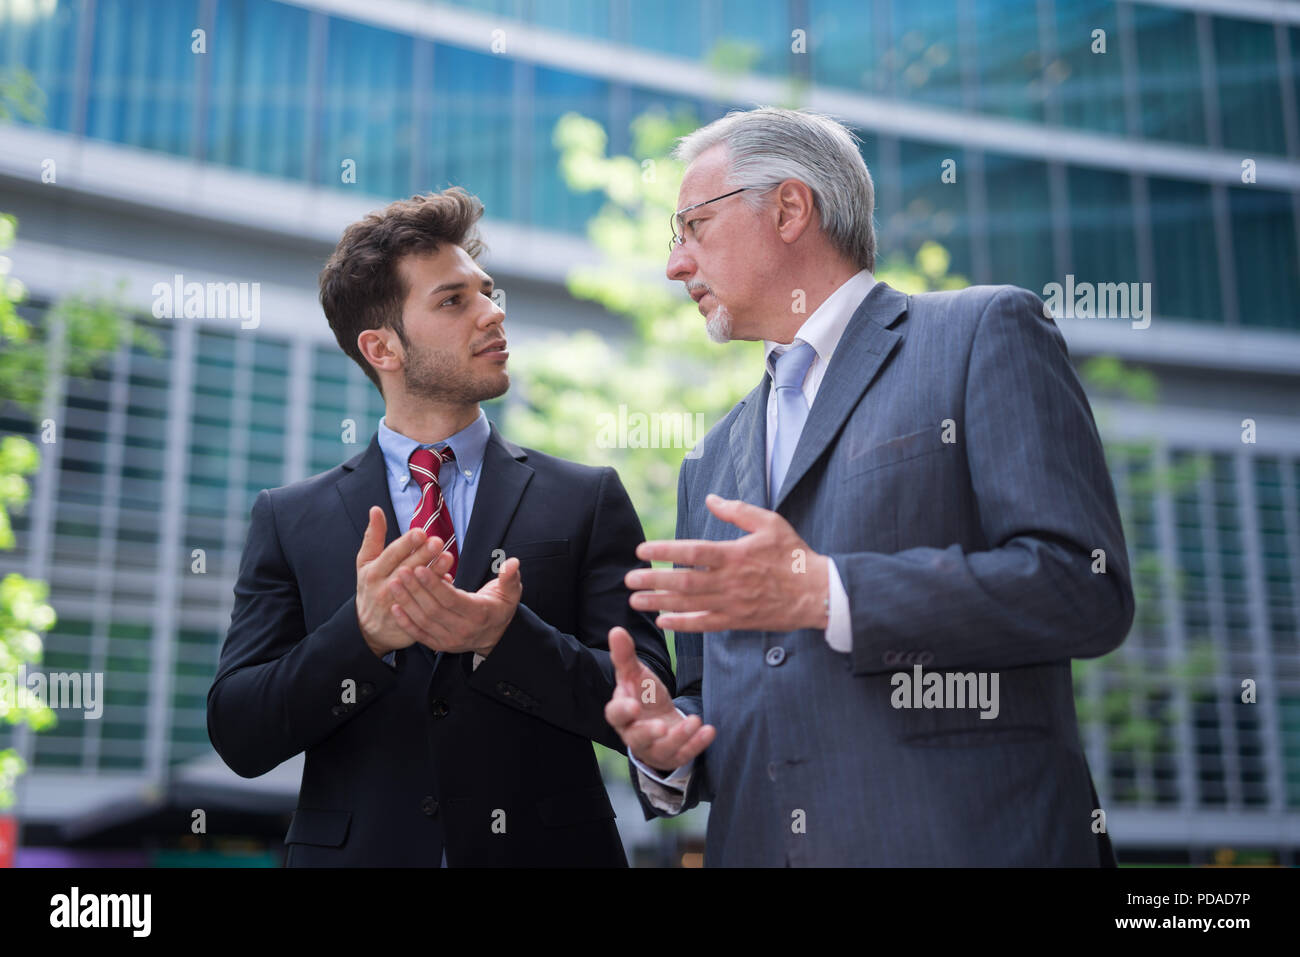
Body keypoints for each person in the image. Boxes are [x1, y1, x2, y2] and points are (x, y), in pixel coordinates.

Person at [603, 107, 1134, 866]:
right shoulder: (708, 460)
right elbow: (726, 702)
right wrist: (670, 742)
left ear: (789, 209)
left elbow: (1083, 587)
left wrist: (827, 591)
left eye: (693, 227)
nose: (676, 265)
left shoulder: (982, 332)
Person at [208, 187, 671, 866]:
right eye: (454, 301)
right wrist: (361, 635)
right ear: (381, 347)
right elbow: (240, 733)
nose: (493, 312)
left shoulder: (588, 498)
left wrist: (505, 639)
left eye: (487, 291)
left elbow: (652, 702)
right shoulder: (289, 517)